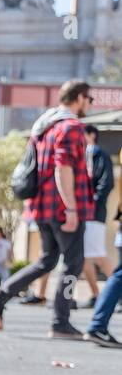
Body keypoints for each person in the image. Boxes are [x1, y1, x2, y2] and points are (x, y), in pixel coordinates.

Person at [0, 80, 95, 338]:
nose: (89, 104)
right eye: (89, 99)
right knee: (73, 264)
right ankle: (60, 321)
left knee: (47, 260)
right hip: (62, 207)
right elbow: (63, 167)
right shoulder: (71, 127)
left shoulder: (44, 126)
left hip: (42, 207)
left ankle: (0, 295)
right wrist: (71, 209)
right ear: (79, 98)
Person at [81, 124, 115, 308]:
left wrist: (93, 202)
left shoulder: (100, 155)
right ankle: (97, 295)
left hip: (94, 213)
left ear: (91, 135)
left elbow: (106, 182)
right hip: (82, 213)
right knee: (84, 257)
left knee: (99, 255)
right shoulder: (81, 156)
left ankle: (116, 292)